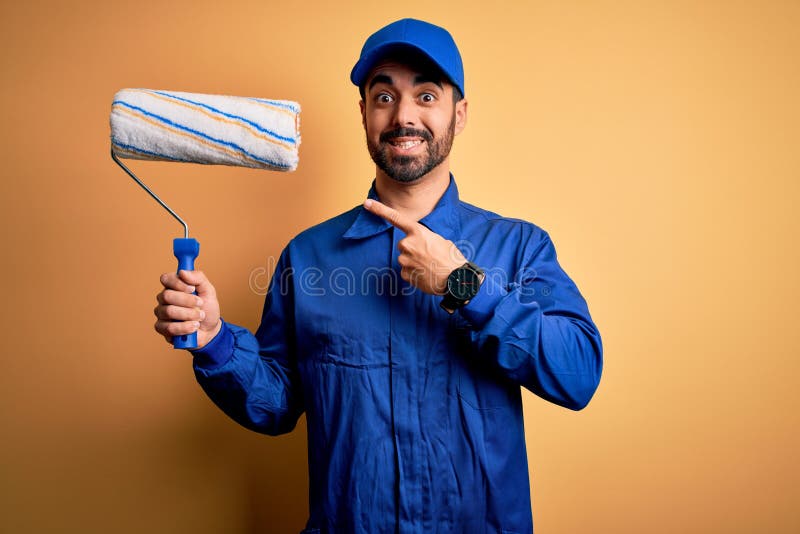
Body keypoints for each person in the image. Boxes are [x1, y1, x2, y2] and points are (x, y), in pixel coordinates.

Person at [154, 18, 602, 534]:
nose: (404, 115)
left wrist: (465, 286)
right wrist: (213, 341)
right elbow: (276, 403)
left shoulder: (520, 248)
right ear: (364, 112)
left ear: (460, 114)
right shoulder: (307, 258)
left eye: (427, 96)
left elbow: (578, 374)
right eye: (384, 95)